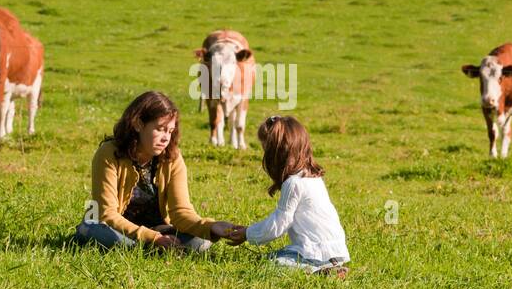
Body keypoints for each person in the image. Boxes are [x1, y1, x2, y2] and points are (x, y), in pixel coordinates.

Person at [75, 90, 241, 252]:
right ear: (138, 124)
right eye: (160, 129)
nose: (166, 138)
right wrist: (152, 238)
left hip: (157, 228)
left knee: (202, 241)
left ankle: (148, 247)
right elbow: (107, 213)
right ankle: (149, 246)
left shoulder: (173, 158)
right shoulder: (108, 153)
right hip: (111, 227)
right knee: (103, 235)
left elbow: (181, 213)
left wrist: (211, 226)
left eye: (170, 131)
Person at [227, 115, 350, 277]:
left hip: (315, 251)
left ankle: (319, 272)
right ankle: (330, 267)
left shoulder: (294, 183)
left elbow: (278, 225)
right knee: (273, 257)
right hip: (336, 250)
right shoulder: (311, 176)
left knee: (270, 265)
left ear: (276, 153)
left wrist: (247, 233)